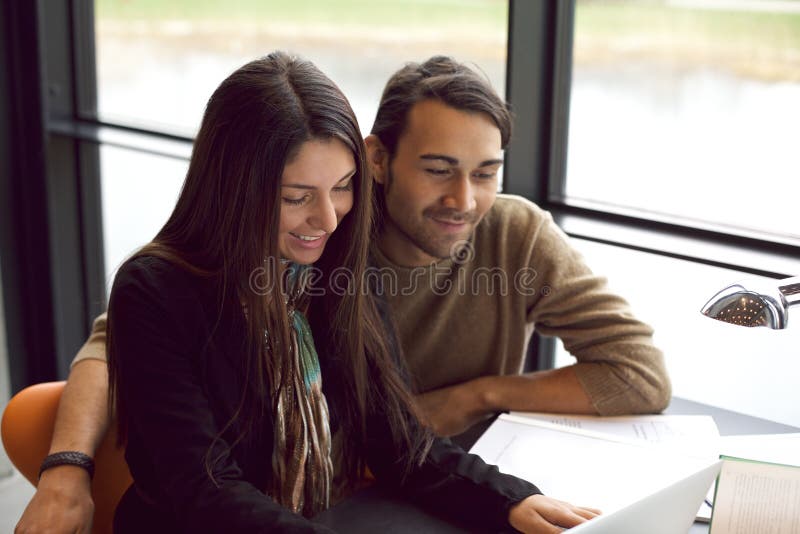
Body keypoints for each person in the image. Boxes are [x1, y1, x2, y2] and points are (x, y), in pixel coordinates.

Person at [16, 55, 668, 533]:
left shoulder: (335, 267)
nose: (327, 220)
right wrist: (67, 468)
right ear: (234, 186)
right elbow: (203, 487)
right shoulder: (158, 288)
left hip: (329, 513)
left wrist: (508, 499)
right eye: (297, 196)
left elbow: (395, 437)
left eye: (342, 188)